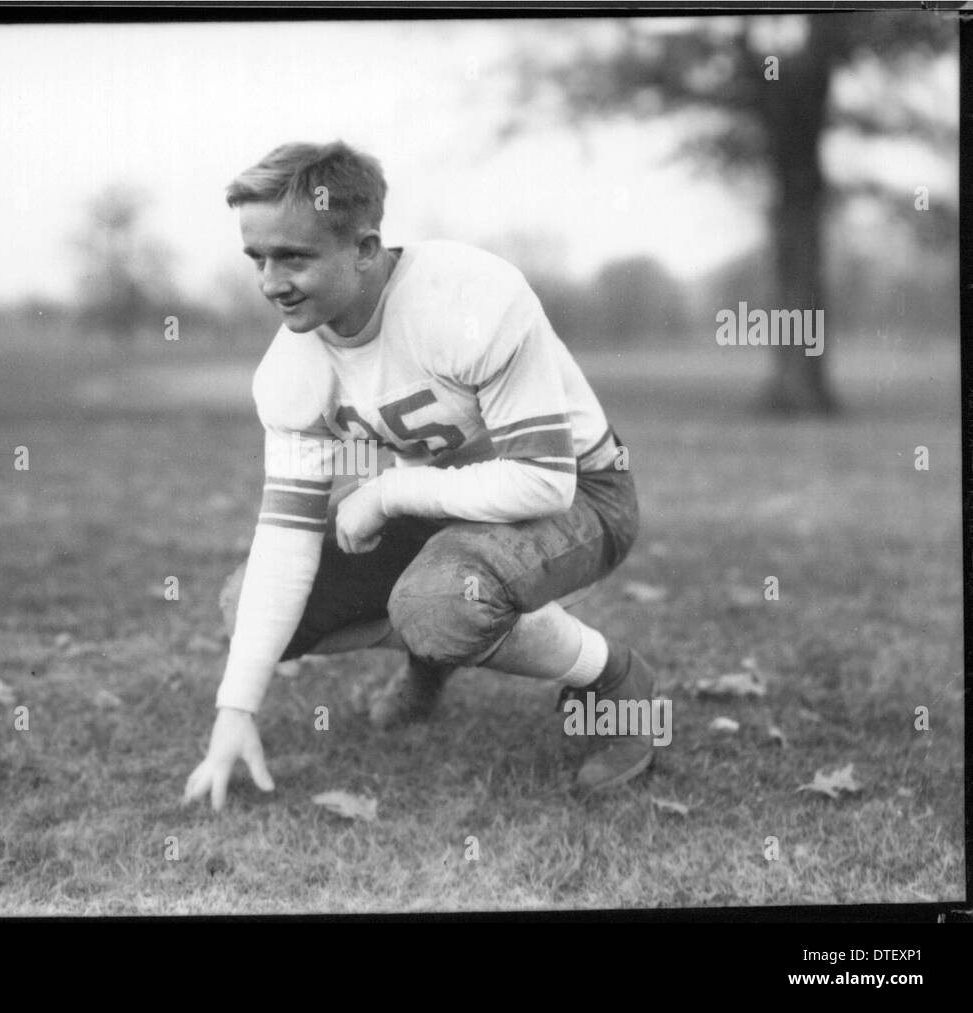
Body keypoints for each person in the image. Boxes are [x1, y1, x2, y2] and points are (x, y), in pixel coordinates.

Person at [184, 140, 659, 811]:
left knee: (440, 602)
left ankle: (616, 678)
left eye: (294, 256)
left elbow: (542, 481)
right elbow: (284, 539)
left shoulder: (468, 298)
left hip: (582, 491)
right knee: (250, 607)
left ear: (366, 248)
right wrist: (236, 708)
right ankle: (435, 648)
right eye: (257, 258)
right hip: (447, 512)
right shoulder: (293, 366)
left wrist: (388, 490)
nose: (270, 281)